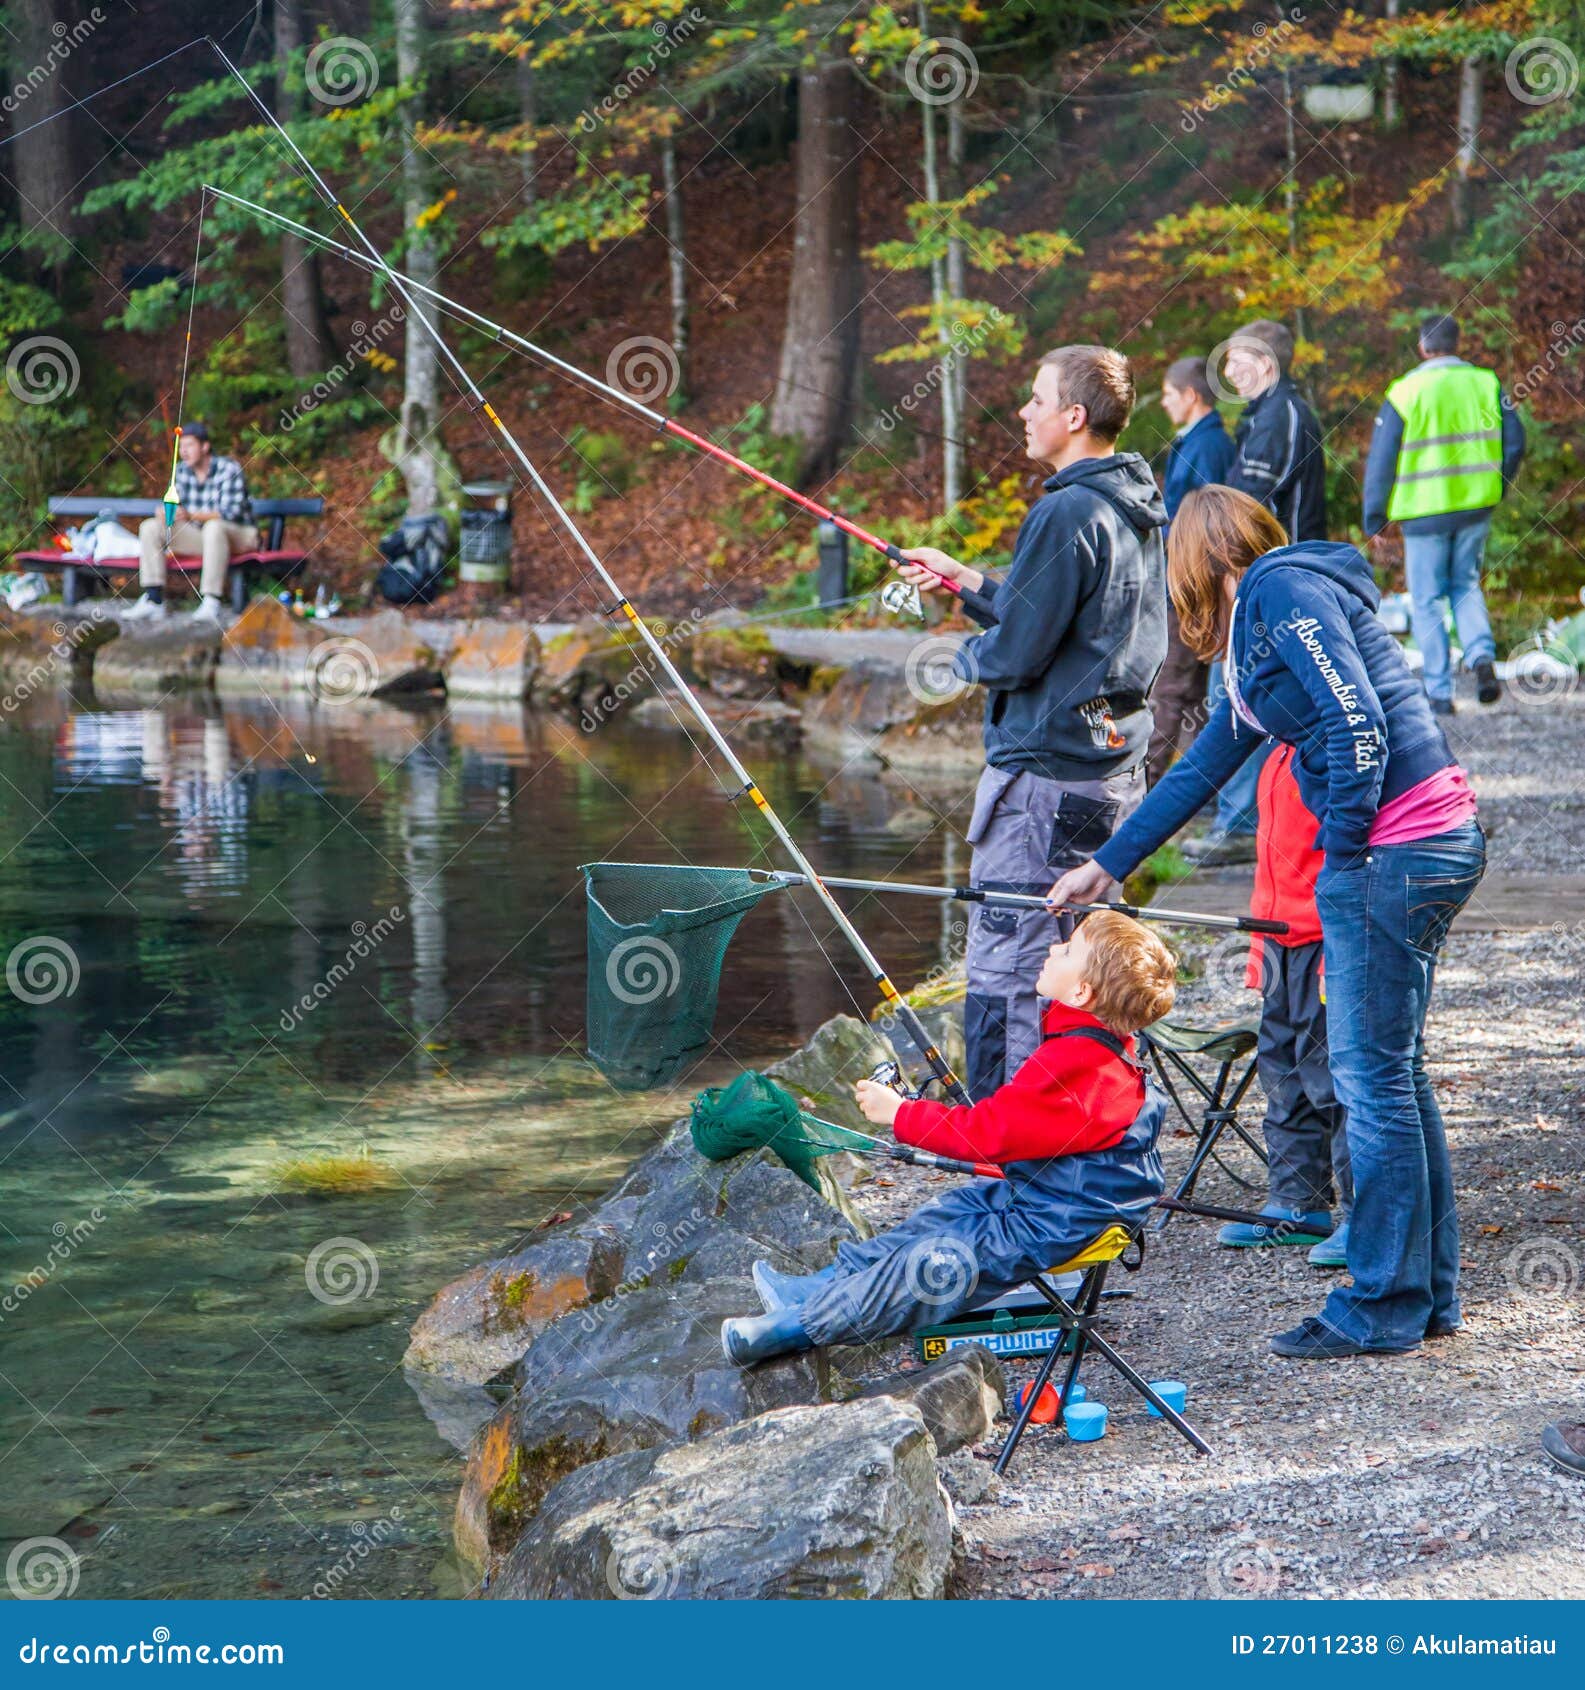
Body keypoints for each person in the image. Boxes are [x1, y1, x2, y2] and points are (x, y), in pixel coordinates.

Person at [1049, 485, 1486, 1361]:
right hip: (1421, 844)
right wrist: (1108, 864)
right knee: (1394, 1073)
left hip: (1396, 853)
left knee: (1369, 1076)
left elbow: (1358, 721)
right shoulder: (1254, 644)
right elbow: (1201, 766)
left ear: (1199, 562)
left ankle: (1380, 1303)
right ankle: (1425, 1294)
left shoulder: (1282, 593)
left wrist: (1346, 845)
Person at [892, 344, 1168, 1099]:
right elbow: (1061, 617)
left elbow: (1016, 651)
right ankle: (1087, 1139)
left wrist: (955, 658)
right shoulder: (1132, 504)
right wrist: (964, 579)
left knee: (1011, 976)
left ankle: (1007, 1165)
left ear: (1073, 416)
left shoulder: (1064, 510)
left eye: (1036, 399)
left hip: (1041, 787)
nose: (1023, 412)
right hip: (1106, 772)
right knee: (1088, 965)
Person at [719, 911, 1177, 1366]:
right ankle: (817, 1287)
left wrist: (900, 1114)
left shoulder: (1077, 1065)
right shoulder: (1090, 1045)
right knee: (941, 1216)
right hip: (1047, 1201)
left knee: (932, 1264)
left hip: (1057, 1225)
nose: (1053, 949)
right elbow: (1027, 1132)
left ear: (1082, 992)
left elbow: (988, 1135)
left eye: (1068, 949)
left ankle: (795, 1328)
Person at [1186, 318, 1326, 867]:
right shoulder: (1264, 416)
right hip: (1263, 578)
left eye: (1236, 361)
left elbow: (1247, 507)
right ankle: (1243, 818)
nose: (1228, 372)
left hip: (1275, 577)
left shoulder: (1281, 416)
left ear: (1266, 363)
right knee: (1242, 694)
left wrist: (1211, 558)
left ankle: (1241, 825)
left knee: (1241, 694)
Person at [1218, 742, 1352, 1266]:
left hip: (1324, 939)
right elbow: (1269, 866)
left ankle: (1361, 1219)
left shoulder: (1329, 751)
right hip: (1274, 938)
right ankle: (1298, 1203)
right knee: (1282, 1072)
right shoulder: (1273, 753)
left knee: (1331, 1080)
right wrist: (1259, 953)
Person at [1362, 313, 1527, 717]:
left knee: (1427, 599)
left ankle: (1439, 692)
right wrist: (1495, 488)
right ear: (1458, 342)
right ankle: (1482, 658)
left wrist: (1374, 516)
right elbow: (1516, 442)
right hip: (1474, 507)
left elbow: (1381, 460)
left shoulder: (1406, 391)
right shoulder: (1485, 383)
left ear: (1422, 346)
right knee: (1466, 585)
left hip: (1423, 514)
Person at [1146, 355, 1234, 788]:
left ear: (1191, 396)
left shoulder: (1208, 447)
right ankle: (1205, 791)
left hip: (1189, 585)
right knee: (1192, 694)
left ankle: (1141, 794)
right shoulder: (1195, 442)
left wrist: (1192, 586)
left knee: (1170, 689)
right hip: (1184, 581)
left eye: (1168, 395)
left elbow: (1210, 525)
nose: (1164, 403)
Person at [129, 423, 257, 623]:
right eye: (181, 447)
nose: (184, 452)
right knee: (150, 527)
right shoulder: (181, 472)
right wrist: (166, 513)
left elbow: (231, 512)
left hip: (241, 536)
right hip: (206, 539)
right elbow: (178, 510)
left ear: (205, 447)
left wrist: (190, 515)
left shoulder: (228, 468)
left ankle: (211, 600)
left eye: (189, 446)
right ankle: (154, 600)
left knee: (214, 527)